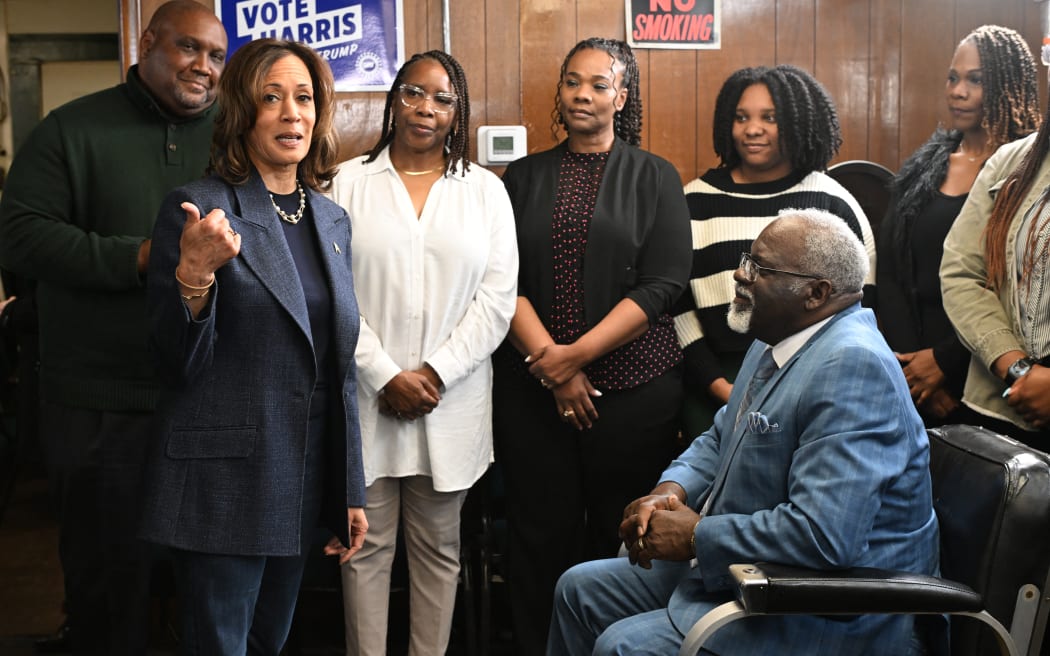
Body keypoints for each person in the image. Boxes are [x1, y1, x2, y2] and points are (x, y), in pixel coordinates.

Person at [548, 208, 939, 655]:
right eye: (746, 258)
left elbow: (823, 537)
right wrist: (669, 490)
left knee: (623, 647)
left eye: (760, 268)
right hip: (752, 572)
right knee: (579, 589)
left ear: (817, 292)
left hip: (827, 609)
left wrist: (697, 536)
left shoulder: (852, 365)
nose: (740, 273)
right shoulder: (774, 339)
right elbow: (720, 438)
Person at [0, 2, 227, 652]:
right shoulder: (70, 128)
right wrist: (140, 258)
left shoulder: (234, 133)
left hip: (206, 399)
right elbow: (19, 237)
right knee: (104, 587)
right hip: (95, 402)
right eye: (189, 48)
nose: (204, 67)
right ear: (148, 42)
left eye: (216, 56)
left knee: (203, 584)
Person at [138, 39, 367, 654]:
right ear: (242, 112)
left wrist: (349, 489)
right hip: (225, 480)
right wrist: (193, 276)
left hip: (303, 481)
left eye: (304, 98)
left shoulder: (331, 220)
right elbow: (172, 360)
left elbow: (339, 365)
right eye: (272, 98)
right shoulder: (201, 209)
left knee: (271, 643)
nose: (292, 113)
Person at [493, 37, 692, 654]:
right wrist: (555, 369)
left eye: (598, 84)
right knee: (536, 538)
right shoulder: (521, 176)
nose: (582, 94)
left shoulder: (655, 175)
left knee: (625, 535)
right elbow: (502, 280)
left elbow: (664, 283)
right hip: (534, 391)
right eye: (572, 82)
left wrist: (575, 358)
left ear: (621, 96)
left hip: (635, 394)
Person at [329, 50, 518, 655]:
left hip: (450, 401)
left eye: (442, 98)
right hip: (365, 398)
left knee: (440, 553)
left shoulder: (485, 192)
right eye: (414, 93)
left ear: (458, 110)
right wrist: (385, 374)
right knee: (364, 548)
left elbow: (497, 300)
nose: (425, 108)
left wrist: (433, 373)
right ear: (394, 99)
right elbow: (333, 295)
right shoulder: (347, 182)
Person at [671, 64, 877, 440]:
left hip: (815, 381)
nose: (752, 129)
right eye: (741, 117)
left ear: (798, 122)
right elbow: (678, 306)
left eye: (770, 117)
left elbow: (860, 302)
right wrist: (719, 386)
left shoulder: (830, 199)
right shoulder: (693, 199)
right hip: (715, 384)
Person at [879, 25, 1040, 428]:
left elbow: (1013, 290)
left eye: (976, 80)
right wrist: (912, 371)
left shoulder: (1028, 170)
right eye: (953, 77)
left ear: (1010, 85)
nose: (958, 91)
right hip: (910, 372)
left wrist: (945, 365)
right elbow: (893, 273)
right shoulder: (924, 166)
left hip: (990, 370)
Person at [941, 41, 1050, 448]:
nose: (958, 90)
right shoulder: (1013, 160)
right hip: (1000, 408)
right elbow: (960, 270)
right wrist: (1018, 368)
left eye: (975, 79)